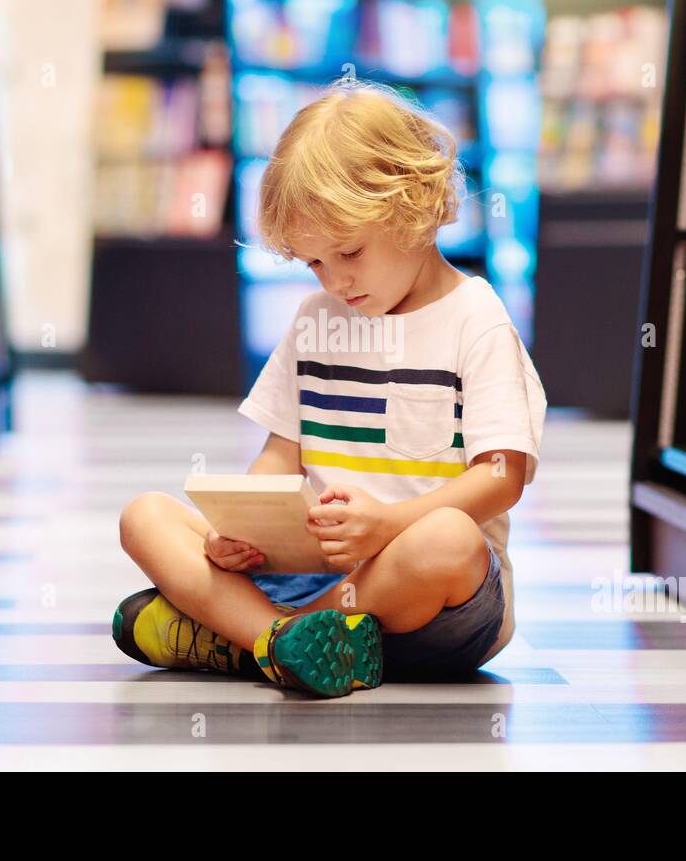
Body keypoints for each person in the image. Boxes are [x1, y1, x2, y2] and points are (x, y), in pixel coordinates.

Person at [113, 81, 546, 697]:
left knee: (448, 539)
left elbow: (503, 475)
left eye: (349, 252)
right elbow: (278, 456)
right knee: (145, 517)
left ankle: (249, 638)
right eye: (315, 262)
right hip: (307, 573)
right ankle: (288, 643)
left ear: (416, 206)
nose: (336, 280)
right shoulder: (316, 319)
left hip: (426, 600)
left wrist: (389, 526)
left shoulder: (476, 320)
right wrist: (237, 529)